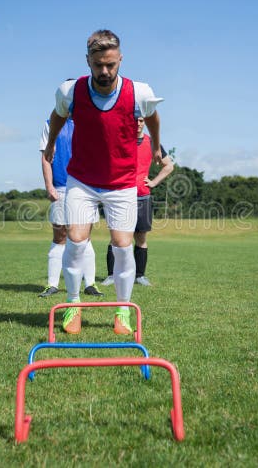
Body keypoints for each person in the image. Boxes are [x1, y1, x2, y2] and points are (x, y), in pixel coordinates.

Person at [43, 29, 163, 335]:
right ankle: (72, 305)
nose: (105, 71)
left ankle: (123, 309)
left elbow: (153, 117)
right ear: (88, 62)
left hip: (121, 183)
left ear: (120, 59)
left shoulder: (139, 93)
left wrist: (158, 146)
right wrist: (52, 142)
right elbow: (58, 114)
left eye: (110, 64)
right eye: (98, 65)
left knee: (123, 247)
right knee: (76, 240)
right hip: (81, 180)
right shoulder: (71, 91)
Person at [102, 116, 174, 287]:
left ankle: (140, 276)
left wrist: (154, 182)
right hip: (120, 196)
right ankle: (112, 275)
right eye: (135, 120)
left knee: (140, 237)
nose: (138, 123)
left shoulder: (151, 143)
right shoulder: (120, 140)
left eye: (141, 120)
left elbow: (168, 166)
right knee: (116, 238)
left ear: (145, 123)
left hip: (142, 196)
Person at [38, 113, 102, 298]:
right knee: (60, 236)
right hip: (60, 186)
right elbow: (45, 157)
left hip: (85, 188)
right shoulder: (51, 123)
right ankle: (52, 285)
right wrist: (49, 185)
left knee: (85, 237)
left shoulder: (89, 120)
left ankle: (90, 284)